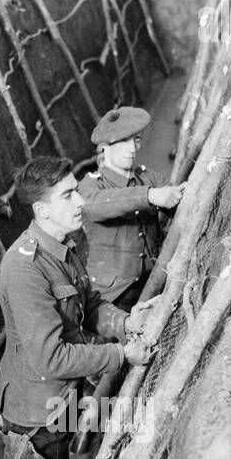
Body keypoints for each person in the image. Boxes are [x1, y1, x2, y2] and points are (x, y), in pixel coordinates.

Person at [0, 156, 158, 459]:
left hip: (62, 405)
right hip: (33, 414)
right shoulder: (25, 267)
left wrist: (125, 323)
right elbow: (51, 358)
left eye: (76, 190)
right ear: (42, 210)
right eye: (68, 195)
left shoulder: (65, 248)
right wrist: (120, 356)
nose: (79, 201)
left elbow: (90, 307)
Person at [78, 106, 185, 309]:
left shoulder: (148, 177)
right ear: (105, 148)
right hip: (111, 296)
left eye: (136, 140)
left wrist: (183, 193)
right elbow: (93, 206)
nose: (132, 148)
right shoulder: (92, 184)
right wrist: (149, 195)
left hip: (152, 283)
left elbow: (176, 204)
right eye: (124, 142)